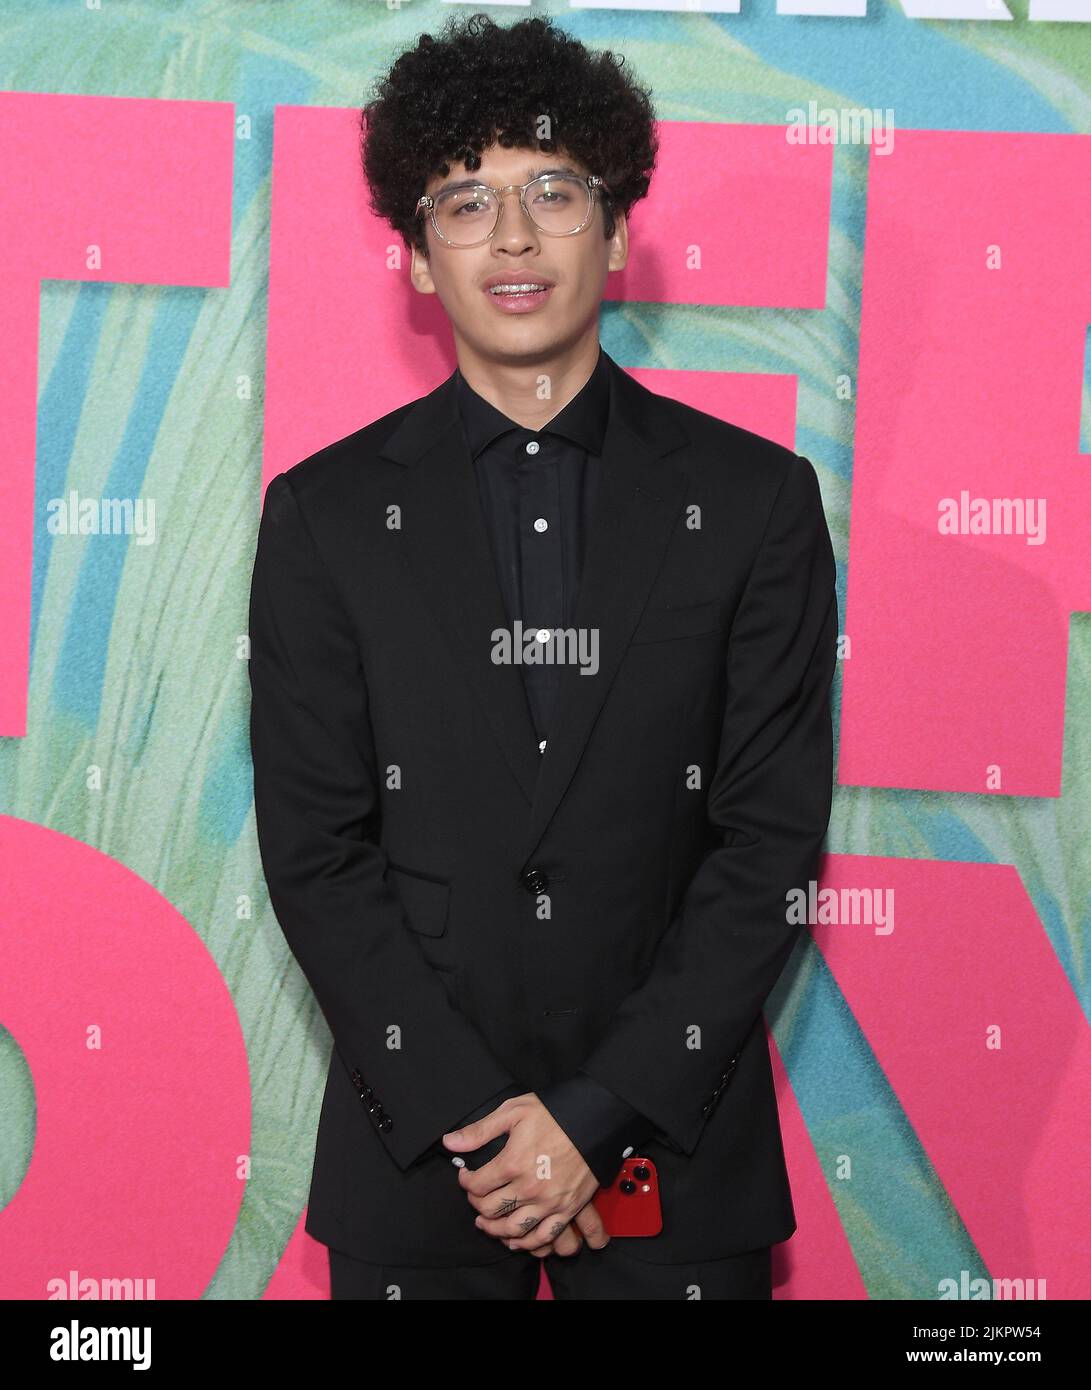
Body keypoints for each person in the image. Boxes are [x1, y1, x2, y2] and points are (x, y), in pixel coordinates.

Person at [247, 11, 837, 1301]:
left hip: (679, 1151)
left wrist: (596, 1116)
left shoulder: (753, 502)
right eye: (464, 200)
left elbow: (768, 841)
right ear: (414, 255)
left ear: (618, 230)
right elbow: (316, 848)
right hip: (422, 1157)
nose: (511, 238)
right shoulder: (325, 515)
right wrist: (494, 1129)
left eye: (551, 193)